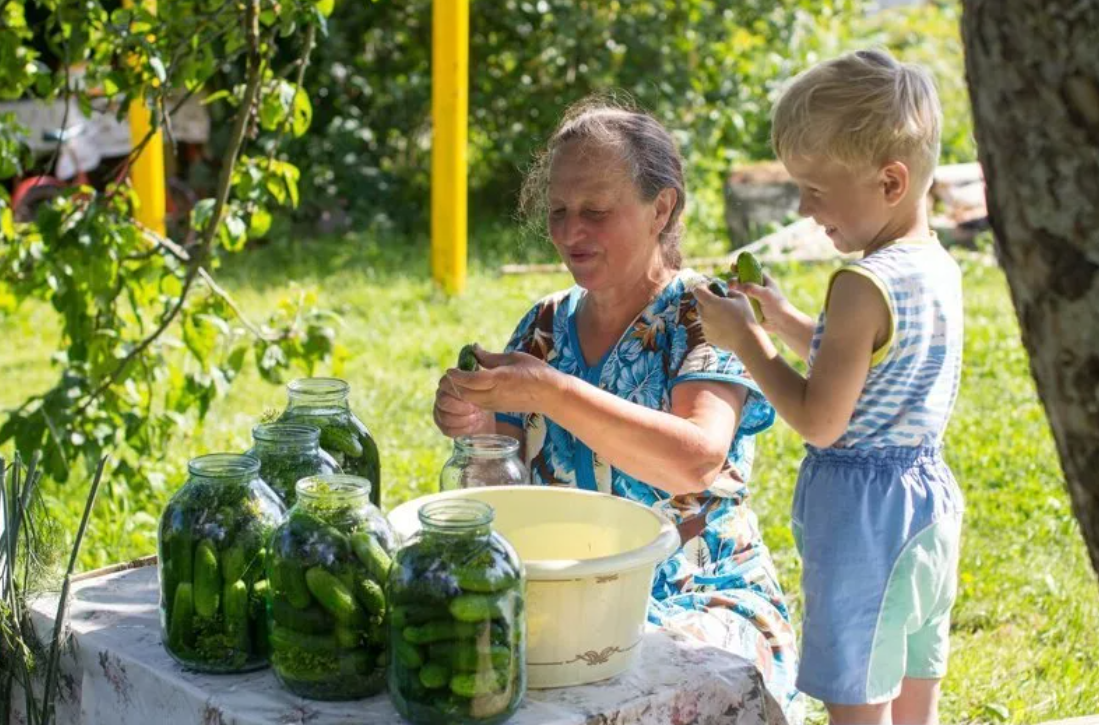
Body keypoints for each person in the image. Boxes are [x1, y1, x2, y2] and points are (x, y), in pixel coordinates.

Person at [432, 98, 801, 719]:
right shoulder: (546, 325)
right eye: (558, 211)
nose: (571, 232)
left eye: (596, 212)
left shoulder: (706, 315)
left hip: (697, 600)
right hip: (560, 601)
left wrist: (551, 392)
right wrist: (475, 427)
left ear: (663, 207)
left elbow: (695, 462)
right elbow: (501, 482)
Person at [694, 49, 964, 725]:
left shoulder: (857, 285)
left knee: (856, 701)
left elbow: (820, 420)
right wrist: (786, 319)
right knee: (909, 687)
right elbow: (872, 358)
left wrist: (746, 341)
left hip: (863, 519)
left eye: (815, 189)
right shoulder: (933, 264)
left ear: (890, 181)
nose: (804, 208)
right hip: (925, 503)